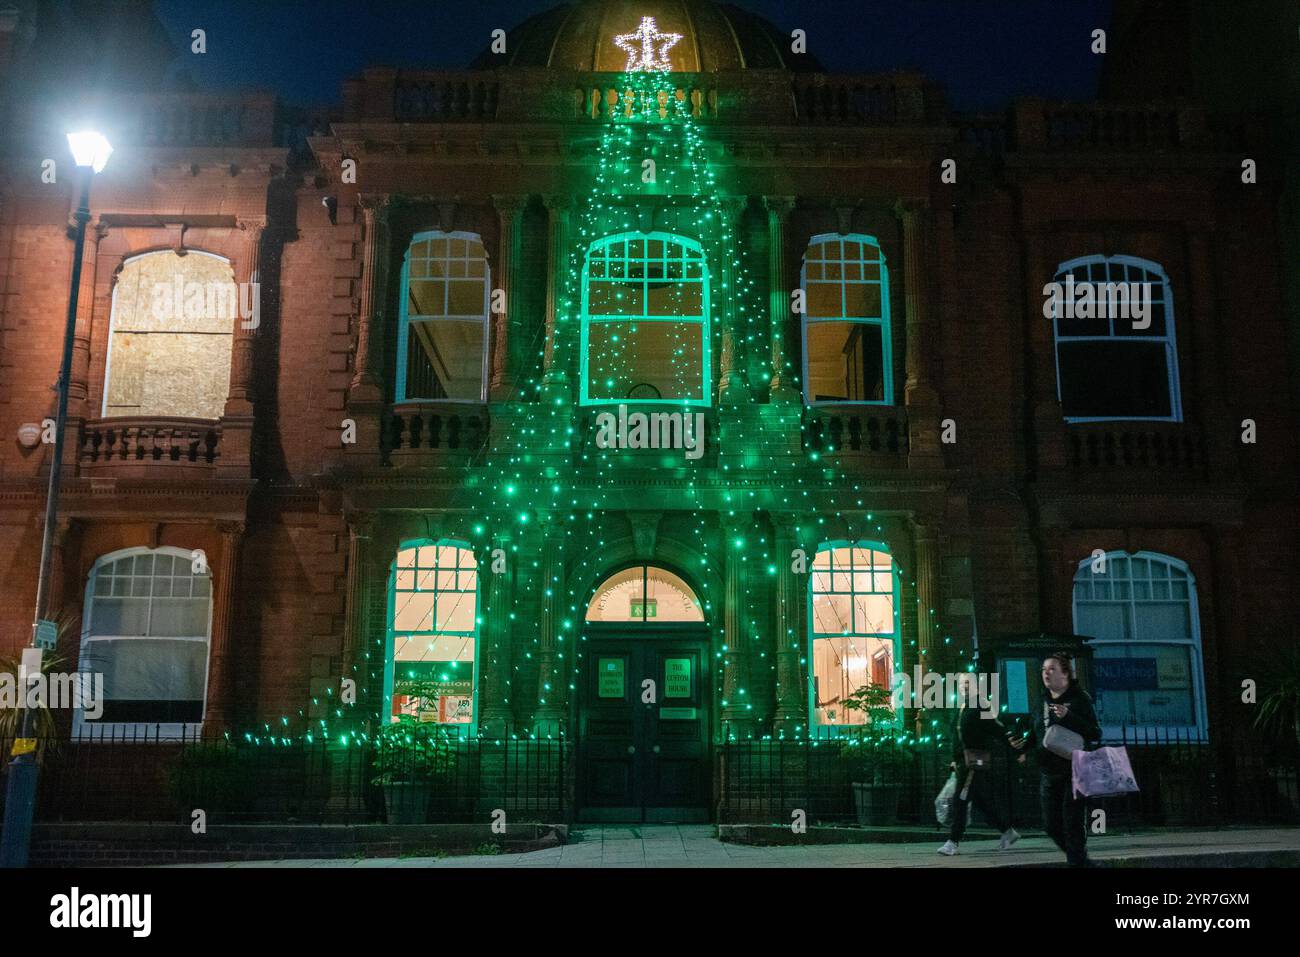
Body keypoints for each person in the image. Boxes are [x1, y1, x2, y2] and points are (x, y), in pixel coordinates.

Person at [1010, 651, 1102, 868]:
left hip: (1075, 770)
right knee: (1051, 825)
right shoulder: (1041, 701)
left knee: (1072, 822)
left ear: (1066, 674)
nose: (1046, 673)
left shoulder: (1080, 700)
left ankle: (1077, 862)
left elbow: (1095, 733)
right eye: (1043, 669)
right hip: (1048, 772)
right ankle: (1082, 862)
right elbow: (1039, 734)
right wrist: (1023, 746)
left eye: (1052, 669)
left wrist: (1068, 717)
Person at [938, 673, 1020, 856]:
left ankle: (953, 842)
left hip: (974, 762)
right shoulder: (964, 706)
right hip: (963, 762)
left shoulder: (981, 705)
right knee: (980, 801)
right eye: (961, 684)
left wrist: (1015, 749)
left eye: (967, 683)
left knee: (960, 799)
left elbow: (996, 728)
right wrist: (955, 758)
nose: (963, 687)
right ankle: (1008, 831)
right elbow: (958, 735)